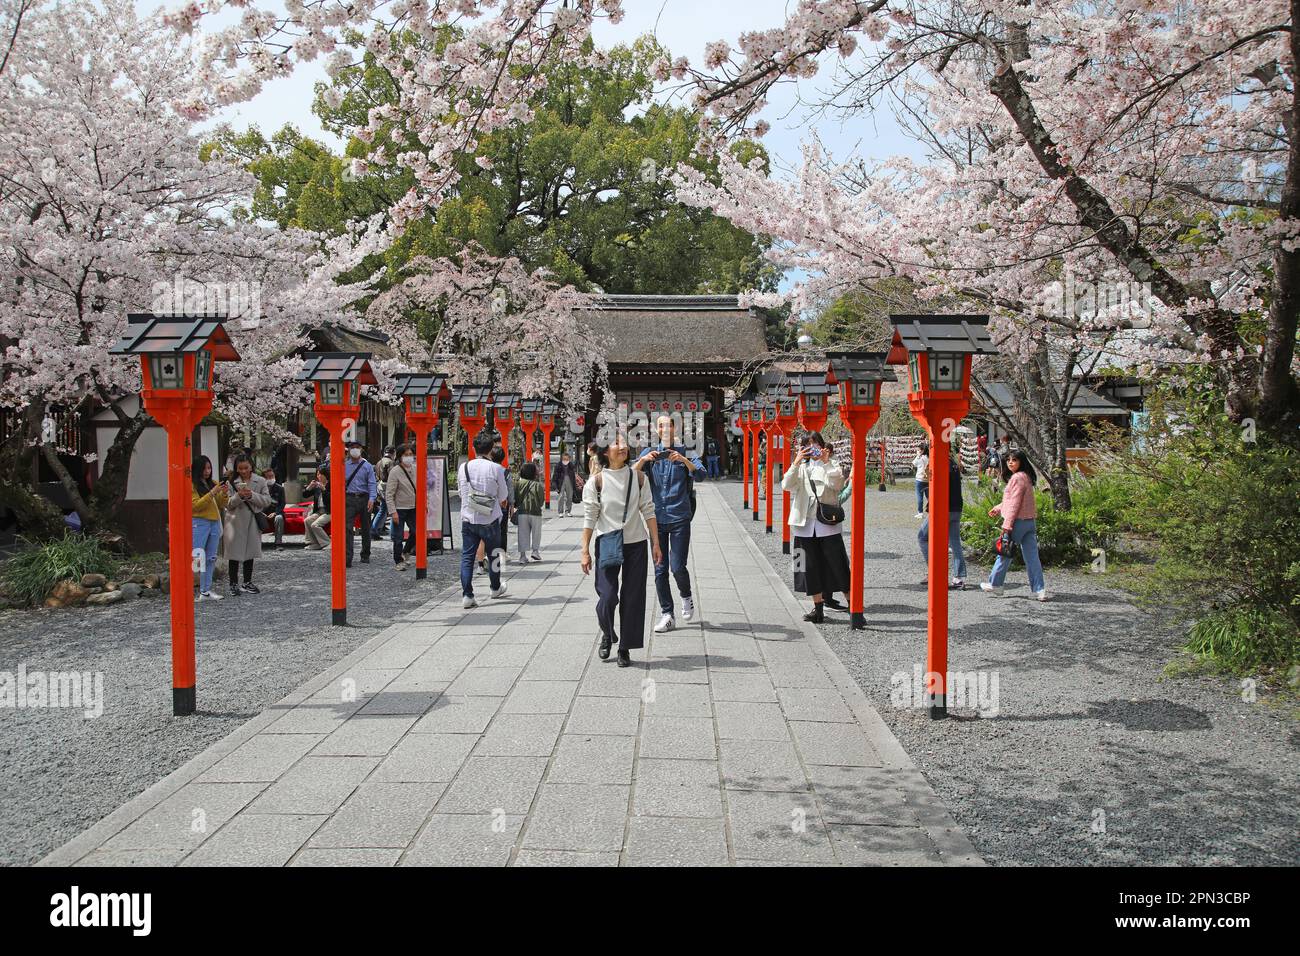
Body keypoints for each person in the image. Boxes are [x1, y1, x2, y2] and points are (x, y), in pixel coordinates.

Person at [580, 436, 661, 667]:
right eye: (617, 443)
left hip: (636, 543)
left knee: (633, 597)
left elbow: (648, 511)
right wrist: (584, 550)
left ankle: (625, 647)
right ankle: (607, 632)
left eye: (624, 443)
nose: (623, 447)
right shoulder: (596, 482)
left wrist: (655, 543)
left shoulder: (639, 477)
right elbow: (589, 518)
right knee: (607, 596)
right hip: (607, 541)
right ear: (606, 452)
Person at [638, 415, 704, 633]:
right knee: (659, 569)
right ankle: (667, 614)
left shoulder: (687, 452)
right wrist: (643, 462)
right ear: (656, 430)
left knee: (677, 567)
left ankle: (686, 595)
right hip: (656, 519)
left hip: (679, 518)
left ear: (676, 427)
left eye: (669, 425)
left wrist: (683, 461)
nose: (665, 428)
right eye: (661, 425)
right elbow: (630, 475)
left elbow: (702, 475)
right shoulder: (650, 453)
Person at [782, 432, 850, 622]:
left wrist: (826, 462)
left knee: (838, 565)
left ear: (822, 446)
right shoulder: (800, 466)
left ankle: (853, 606)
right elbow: (786, 485)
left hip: (827, 523)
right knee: (807, 567)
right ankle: (817, 608)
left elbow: (837, 485)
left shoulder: (832, 463)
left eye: (815, 444)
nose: (811, 448)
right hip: (803, 524)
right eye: (807, 445)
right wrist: (796, 462)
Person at [981, 449, 1047, 601]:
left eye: (1014, 460)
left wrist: (1007, 525)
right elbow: (1015, 501)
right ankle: (1039, 589)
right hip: (1030, 521)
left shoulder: (1017, 478)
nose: (1010, 462)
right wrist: (999, 507)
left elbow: (1015, 503)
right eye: (1009, 460)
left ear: (1021, 462)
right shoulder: (1026, 477)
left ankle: (995, 583)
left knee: (1005, 552)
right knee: (1032, 557)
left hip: (1017, 522)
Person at [459, 431, 511, 608]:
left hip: (468, 517)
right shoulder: (496, 468)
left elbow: (461, 492)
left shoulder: (463, 467)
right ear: (491, 450)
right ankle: (495, 587)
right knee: (494, 553)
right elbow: (503, 494)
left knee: (467, 557)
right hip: (490, 517)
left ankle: (467, 595)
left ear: (474, 449)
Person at [222, 453, 271, 596]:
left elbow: (267, 501)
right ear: (236, 468)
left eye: (246, 468)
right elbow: (227, 504)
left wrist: (251, 496)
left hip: (252, 522)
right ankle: (233, 583)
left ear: (251, 467)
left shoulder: (260, 481)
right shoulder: (230, 482)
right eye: (240, 468)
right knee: (234, 554)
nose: (243, 471)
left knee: (250, 553)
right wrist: (239, 496)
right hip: (234, 521)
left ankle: (247, 582)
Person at [918, 452, 968, 590]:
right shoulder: (953, 464)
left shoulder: (940, 463)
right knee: (955, 542)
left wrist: (928, 474)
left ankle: (934, 572)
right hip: (956, 507)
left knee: (922, 537)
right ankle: (959, 577)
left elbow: (938, 486)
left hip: (943, 508)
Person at [191, 455, 227, 600]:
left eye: (209, 468)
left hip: (214, 522)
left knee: (211, 557)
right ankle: (193, 588)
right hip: (199, 522)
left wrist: (224, 493)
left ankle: (205, 590)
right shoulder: (192, 485)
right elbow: (196, 506)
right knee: (198, 555)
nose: (207, 471)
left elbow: (222, 504)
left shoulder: (213, 483)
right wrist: (212, 493)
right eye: (204, 468)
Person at [337, 440, 377, 567]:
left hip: (364, 498)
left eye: (357, 447)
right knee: (347, 529)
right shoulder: (344, 465)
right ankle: (347, 558)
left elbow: (372, 483)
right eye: (352, 447)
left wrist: (372, 498)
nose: (355, 449)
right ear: (348, 450)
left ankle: (365, 554)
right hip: (349, 498)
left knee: (366, 528)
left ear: (361, 449)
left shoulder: (367, 466)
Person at [384, 444, 420, 571]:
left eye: (411, 454)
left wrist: (424, 503)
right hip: (399, 508)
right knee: (398, 536)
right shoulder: (395, 471)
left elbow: (421, 488)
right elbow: (389, 494)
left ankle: (406, 551)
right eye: (406, 455)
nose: (409, 457)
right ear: (400, 457)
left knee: (417, 532)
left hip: (414, 507)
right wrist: (393, 512)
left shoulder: (416, 469)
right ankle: (398, 560)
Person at [514, 461, 545, 562]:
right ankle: (535, 551)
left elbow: (516, 499)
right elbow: (541, 501)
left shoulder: (518, 484)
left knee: (522, 533)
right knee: (536, 533)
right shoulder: (538, 485)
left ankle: (522, 556)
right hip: (535, 512)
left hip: (522, 512)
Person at [303, 468, 331, 550]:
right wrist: (309, 487)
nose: (318, 476)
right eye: (317, 474)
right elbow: (305, 495)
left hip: (330, 511)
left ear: (325, 475)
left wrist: (324, 490)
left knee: (315, 525)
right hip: (319, 511)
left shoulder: (331, 485)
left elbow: (331, 499)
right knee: (307, 520)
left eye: (320, 474)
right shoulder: (317, 487)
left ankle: (327, 543)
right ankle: (315, 543)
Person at [371, 445, 396, 538]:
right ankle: (393, 533)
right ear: (393, 452)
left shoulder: (379, 462)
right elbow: (393, 477)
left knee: (383, 509)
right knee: (393, 510)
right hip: (389, 488)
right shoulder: (390, 462)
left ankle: (374, 529)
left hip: (380, 487)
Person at [262, 467, 286, 550]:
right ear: (264, 478)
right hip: (262, 512)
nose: (271, 478)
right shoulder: (260, 488)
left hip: (275, 512)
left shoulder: (280, 488)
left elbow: (282, 504)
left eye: (272, 476)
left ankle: (278, 543)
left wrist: (275, 513)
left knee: (279, 518)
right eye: (268, 477)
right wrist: (262, 513)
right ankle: (255, 543)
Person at [551, 451, 579, 517]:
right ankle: (560, 512)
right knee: (561, 497)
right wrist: (555, 485)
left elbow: (573, 476)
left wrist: (574, 484)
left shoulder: (571, 465)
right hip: (561, 481)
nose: (565, 460)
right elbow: (555, 476)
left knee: (569, 496)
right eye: (564, 459)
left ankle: (568, 511)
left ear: (569, 459)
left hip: (569, 481)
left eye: (567, 459)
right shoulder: (558, 465)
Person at [913, 442, 930, 517]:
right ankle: (932, 510)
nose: (917, 450)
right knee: (929, 497)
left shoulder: (920, 458)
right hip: (927, 479)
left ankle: (920, 513)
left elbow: (914, 463)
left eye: (919, 449)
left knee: (920, 497)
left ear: (922, 450)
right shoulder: (929, 457)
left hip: (920, 479)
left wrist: (917, 455)